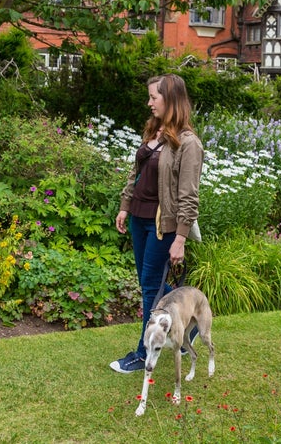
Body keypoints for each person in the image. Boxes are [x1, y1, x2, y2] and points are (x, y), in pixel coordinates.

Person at [109, 74, 203, 374]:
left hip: (163, 226)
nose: (149, 103)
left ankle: (142, 353)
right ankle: (188, 322)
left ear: (171, 100)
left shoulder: (188, 144)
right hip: (139, 219)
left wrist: (181, 238)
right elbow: (134, 176)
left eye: (154, 97)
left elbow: (189, 196)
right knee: (151, 284)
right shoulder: (153, 131)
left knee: (151, 289)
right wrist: (125, 206)